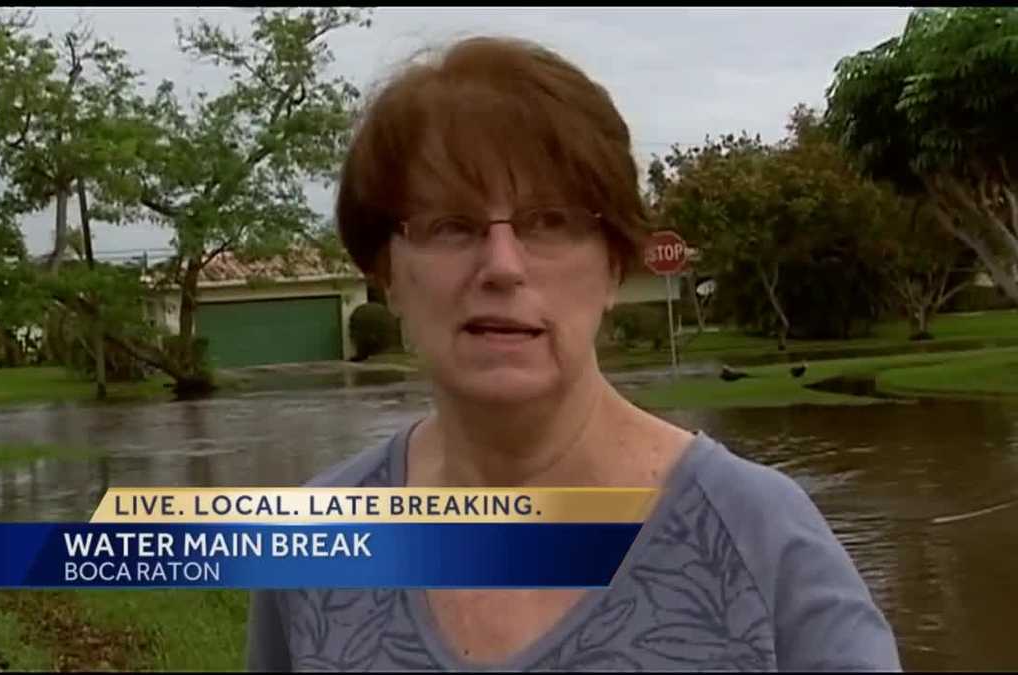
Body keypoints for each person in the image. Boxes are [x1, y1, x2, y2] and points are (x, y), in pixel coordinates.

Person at [246, 36, 901, 672]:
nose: (502, 266)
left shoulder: (762, 537)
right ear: (388, 274)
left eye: (550, 222)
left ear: (613, 266)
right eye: (451, 225)